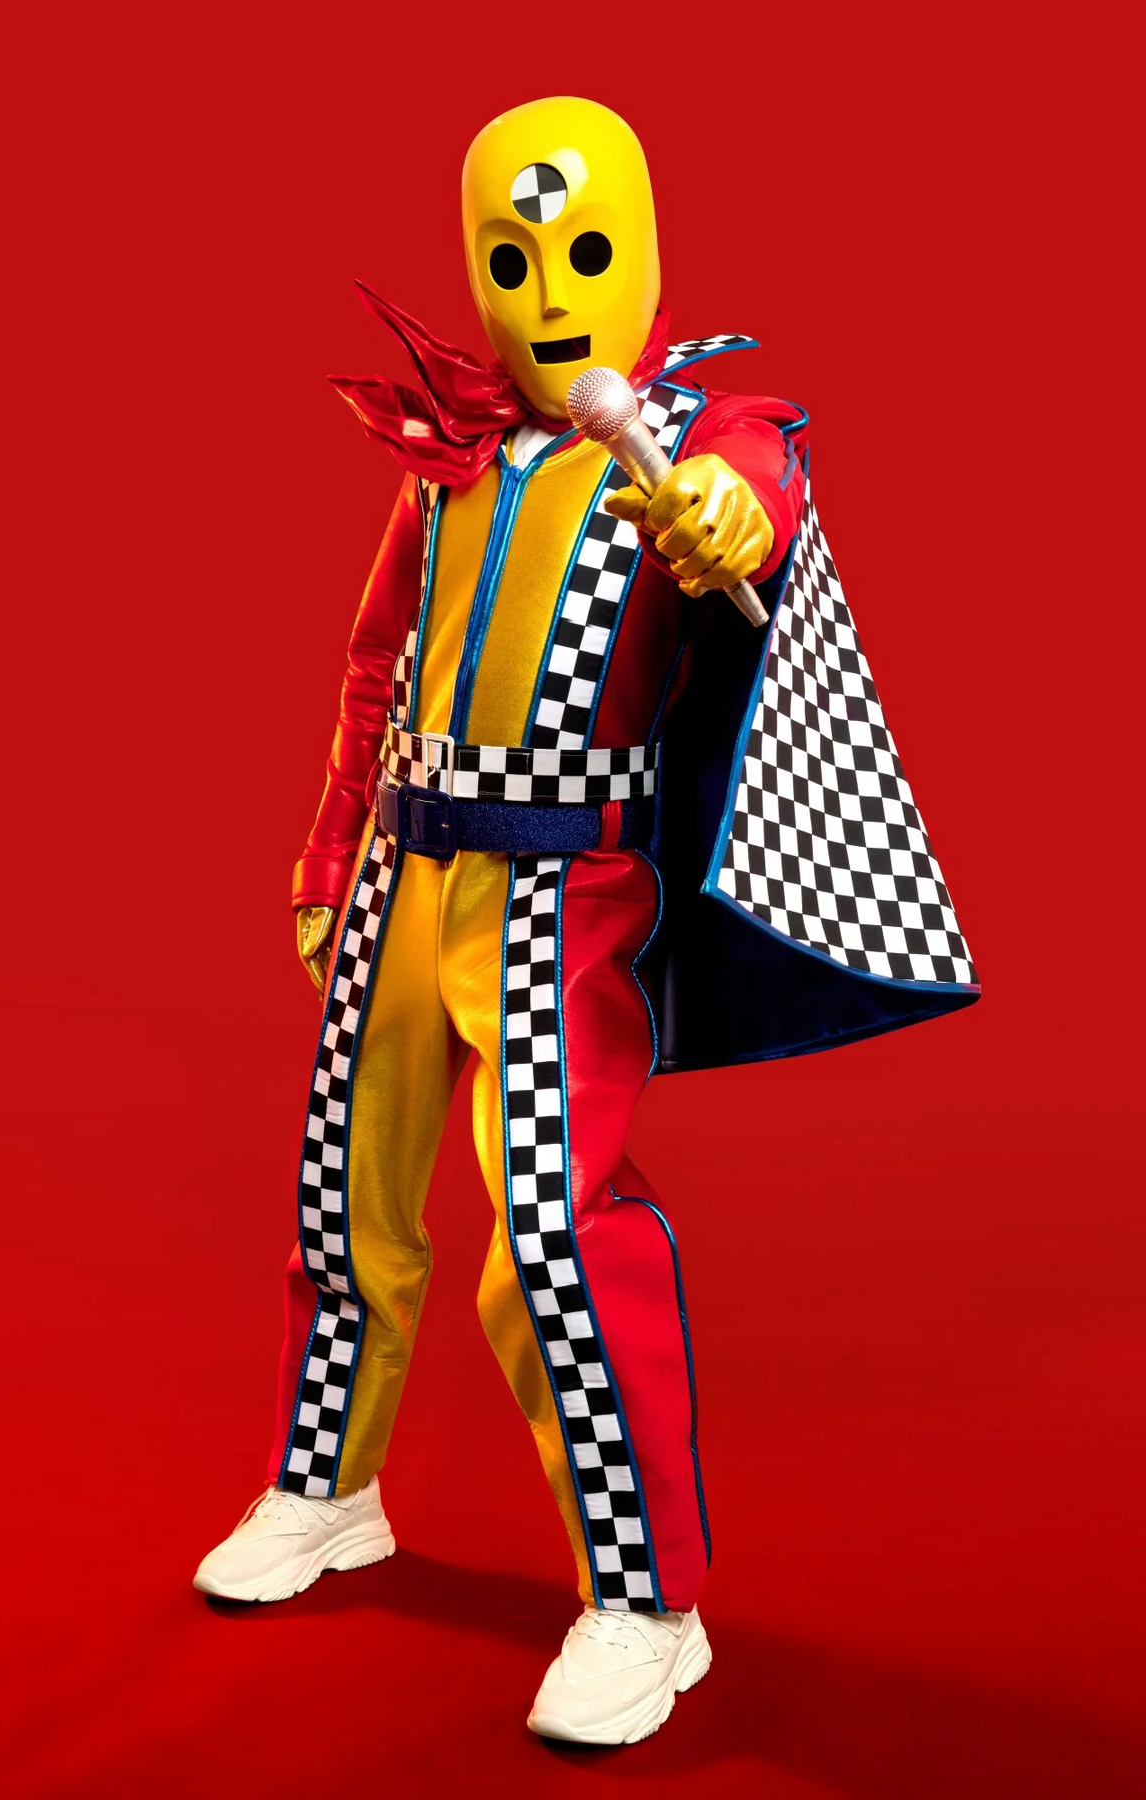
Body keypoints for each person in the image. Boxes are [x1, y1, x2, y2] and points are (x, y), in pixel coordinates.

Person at [194, 95, 978, 1747]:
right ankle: (326, 1488)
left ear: (647, 251)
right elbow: (374, 668)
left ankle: (645, 1600)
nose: (550, 292)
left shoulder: (704, 429)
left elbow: (751, 494)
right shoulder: (453, 459)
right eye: (511, 257)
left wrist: (720, 517)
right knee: (343, 1200)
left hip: (565, 886)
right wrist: (328, 857)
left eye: (585, 248)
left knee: (554, 1232)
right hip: (405, 871)